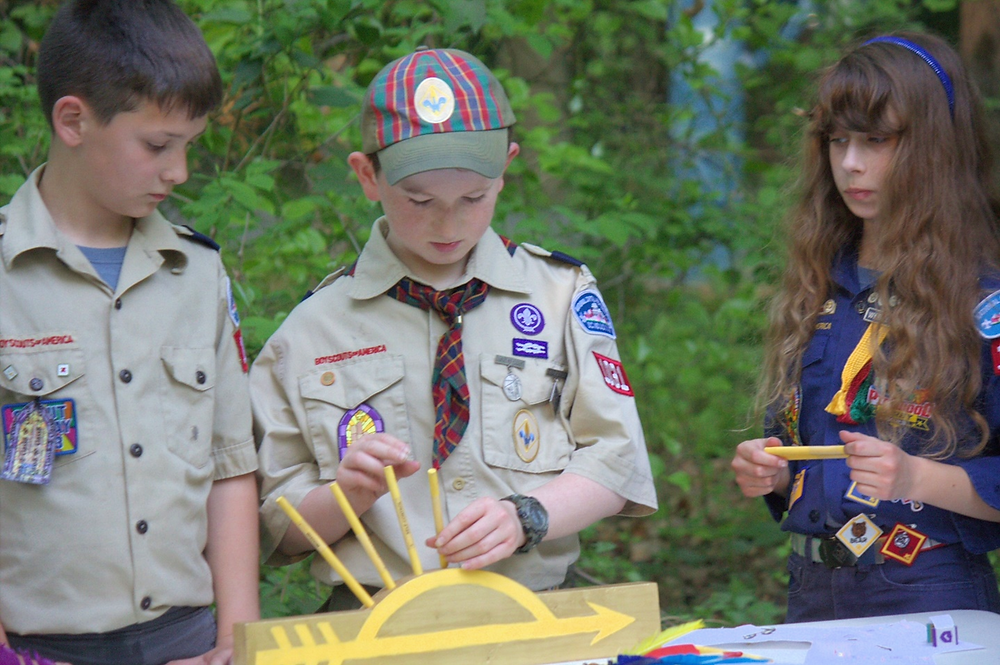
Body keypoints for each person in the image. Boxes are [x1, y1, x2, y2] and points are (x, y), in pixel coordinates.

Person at [252, 46, 657, 606]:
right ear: (367, 175)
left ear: (506, 167)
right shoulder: (312, 331)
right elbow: (275, 528)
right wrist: (346, 494)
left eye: (473, 197)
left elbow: (617, 458)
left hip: (532, 613)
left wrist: (528, 516)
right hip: (374, 622)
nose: (449, 223)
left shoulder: (560, 294)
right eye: (420, 200)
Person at [0, 1, 260, 663]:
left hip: (188, 641)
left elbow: (230, 467)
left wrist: (238, 637)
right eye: (157, 145)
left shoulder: (197, 273)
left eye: (189, 145)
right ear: (73, 121)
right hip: (37, 646)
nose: (179, 172)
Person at [731, 31, 1000, 622]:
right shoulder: (817, 282)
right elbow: (806, 461)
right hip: (810, 590)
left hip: (928, 593)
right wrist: (773, 472)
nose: (851, 163)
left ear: (936, 147)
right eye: (837, 140)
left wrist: (916, 477)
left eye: (877, 140)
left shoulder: (984, 300)